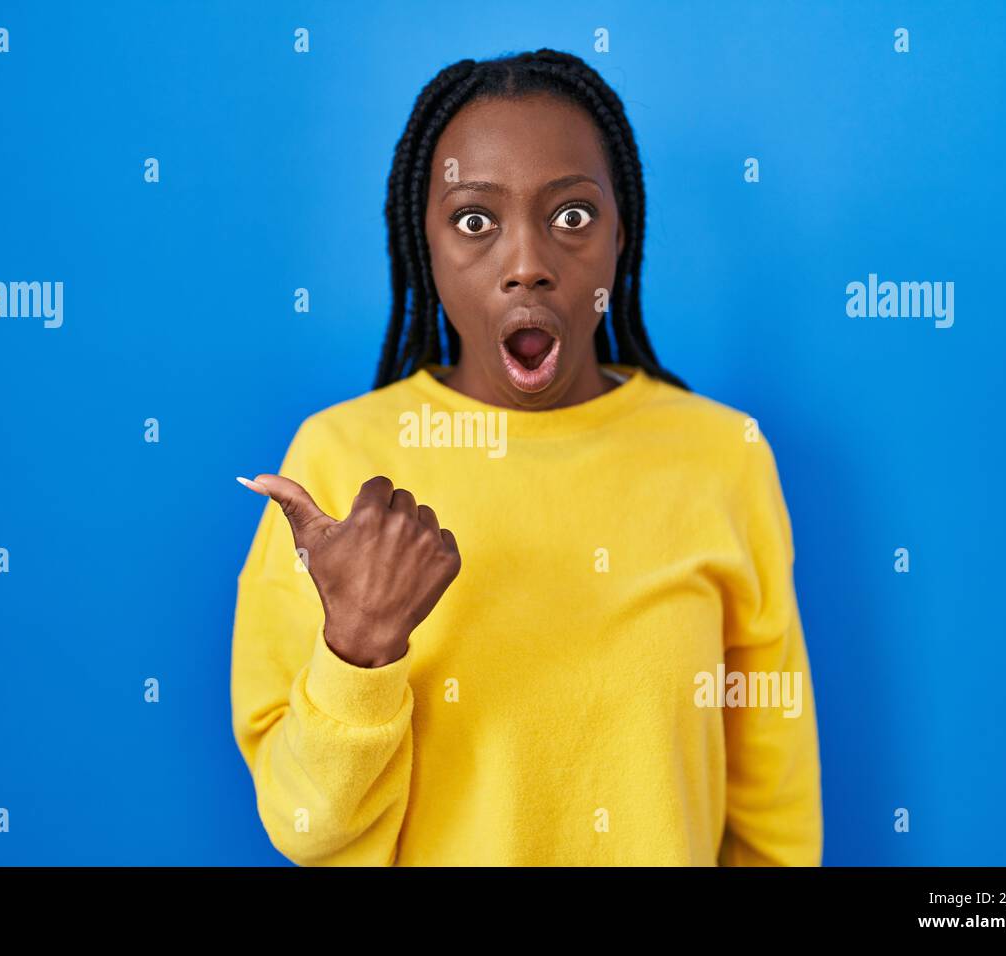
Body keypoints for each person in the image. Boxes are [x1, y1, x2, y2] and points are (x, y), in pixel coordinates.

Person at [230, 48, 822, 866]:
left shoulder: (723, 457)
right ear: (424, 245)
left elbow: (774, 825)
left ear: (623, 233)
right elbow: (306, 830)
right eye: (475, 220)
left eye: (572, 216)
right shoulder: (338, 460)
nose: (527, 265)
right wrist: (358, 650)